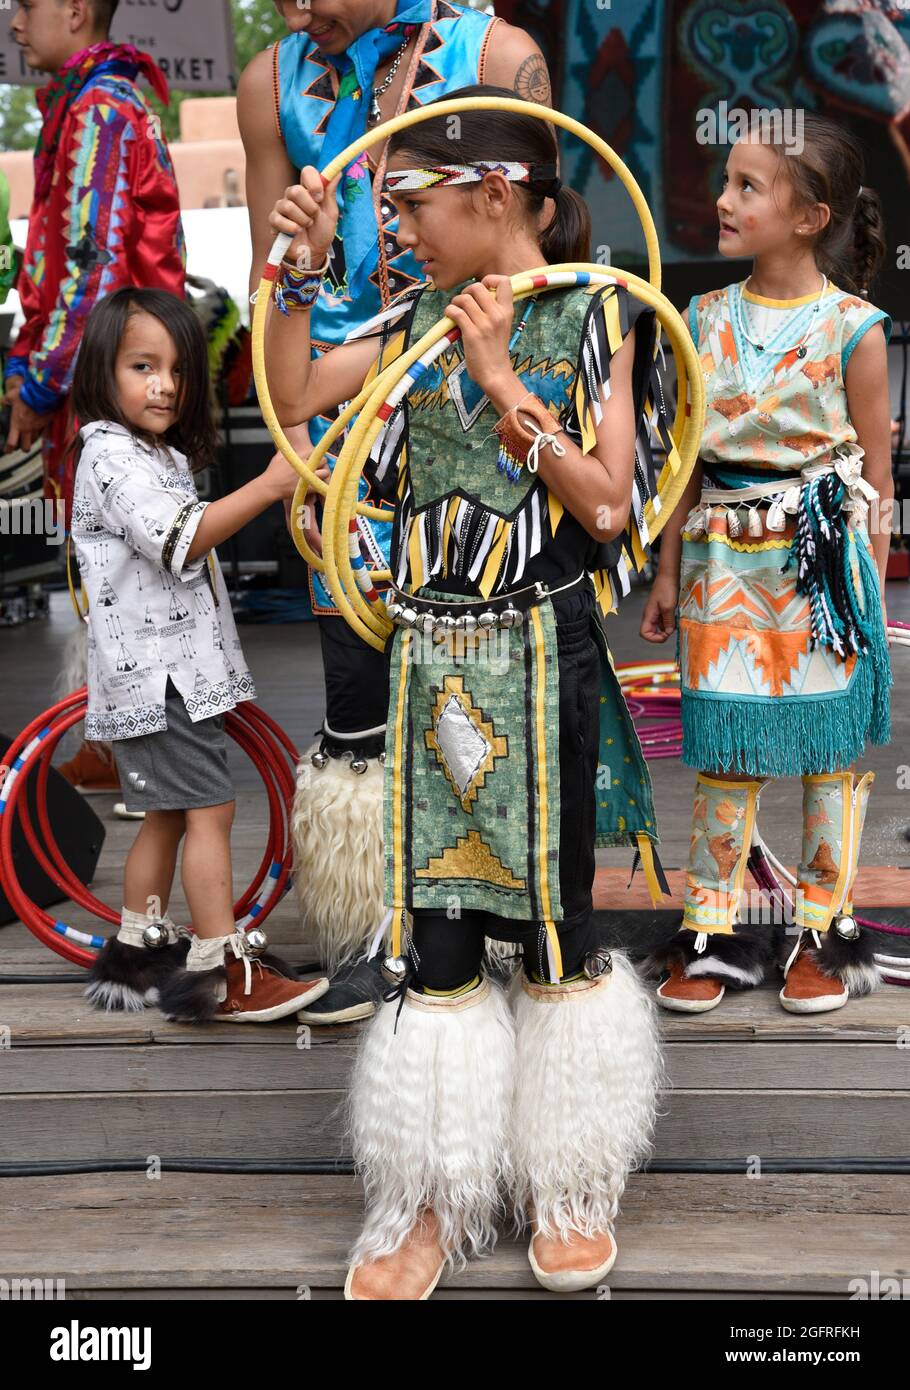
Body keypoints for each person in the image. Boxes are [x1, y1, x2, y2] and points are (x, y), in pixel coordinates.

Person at [262, 86, 676, 1297]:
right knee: (433, 939)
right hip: (431, 657)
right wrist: (295, 270)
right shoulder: (410, 319)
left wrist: (500, 381)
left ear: (493, 191)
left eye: (407, 200)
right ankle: (429, 1196)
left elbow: (607, 506)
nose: (394, 223)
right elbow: (292, 399)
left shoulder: (601, 313)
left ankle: (568, 1182)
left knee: (555, 931)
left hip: (548, 659)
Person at [238, 1, 554, 993]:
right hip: (347, 439)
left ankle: (511, 923)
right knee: (363, 695)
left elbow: (539, 234)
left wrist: (514, 387)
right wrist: (300, 455)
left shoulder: (498, 55)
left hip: (487, 401)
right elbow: (271, 281)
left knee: (504, 685)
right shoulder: (269, 83)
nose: (294, 11)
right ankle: (390, 944)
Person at [640, 113, 892, 1015]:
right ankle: (712, 931)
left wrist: (870, 588)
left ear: (811, 217)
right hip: (718, 565)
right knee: (726, 759)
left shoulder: (856, 331)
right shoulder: (699, 318)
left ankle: (826, 930)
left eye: (749, 186)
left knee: (828, 760)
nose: (724, 200)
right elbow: (683, 463)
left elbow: (877, 476)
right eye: (727, 181)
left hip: (822, 573)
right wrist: (666, 573)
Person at [70, 287, 328, 1023]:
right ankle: (220, 964)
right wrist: (270, 483)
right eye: (143, 366)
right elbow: (183, 538)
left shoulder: (152, 453)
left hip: (167, 675)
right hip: (160, 678)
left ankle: (140, 947)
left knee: (167, 815)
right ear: (102, 371)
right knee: (209, 811)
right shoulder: (113, 461)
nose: (164, 386)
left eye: (179, 371)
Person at [5, 0, 186, 796]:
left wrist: (38, 381)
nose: (14, 23)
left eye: (27, 6)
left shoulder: (100, 112)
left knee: (119, 569)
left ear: (76, 11)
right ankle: (122, 746)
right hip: (112, 376)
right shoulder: (91, 105)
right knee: (113, 567)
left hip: (108, 383)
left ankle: (138, 752)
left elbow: (89, 269)